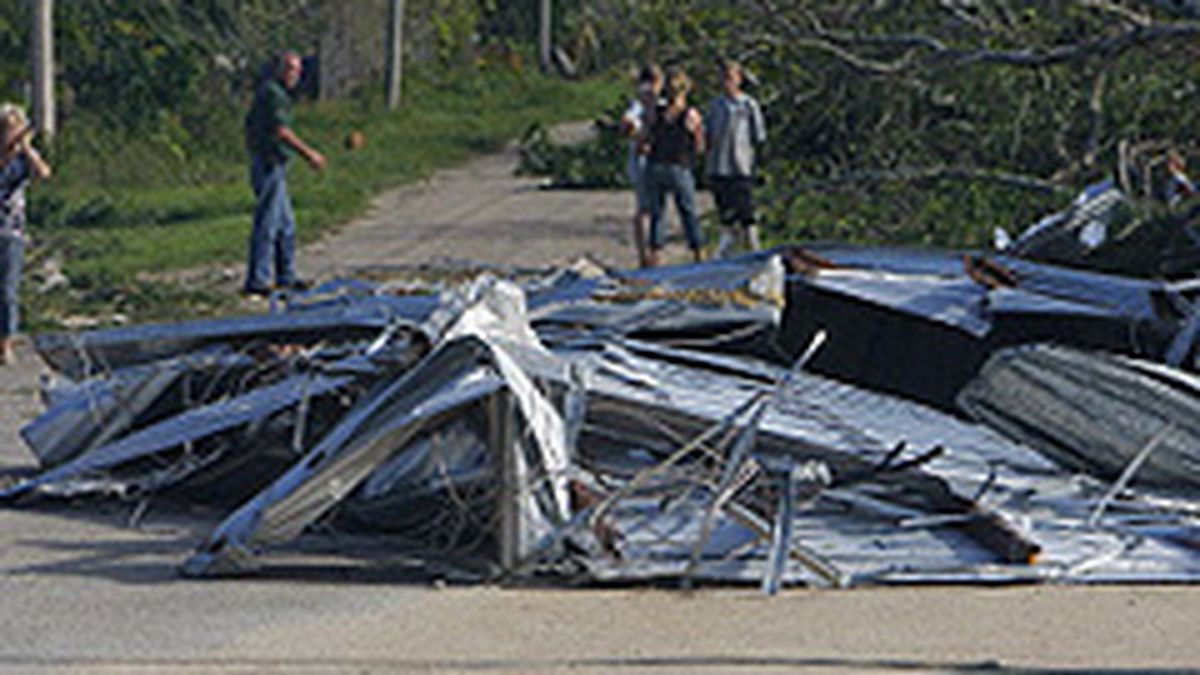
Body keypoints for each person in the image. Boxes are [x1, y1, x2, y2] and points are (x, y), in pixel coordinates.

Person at [243, 51, 326, 297]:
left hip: (277, 163)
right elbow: (281, 131)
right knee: (268, 222)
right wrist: (309, 154)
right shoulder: (273, 93)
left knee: (286, 223)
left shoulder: (280, 94)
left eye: (298, 70)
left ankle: (286, 275)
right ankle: (258, 279)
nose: (295, 75)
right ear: (279, 69)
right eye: (290, 69)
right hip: (268, 163)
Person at [0, 104, 50, 365]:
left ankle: (5, 341)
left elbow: (43, 173)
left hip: (11, 231)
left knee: (8, 290)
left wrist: (27, 148)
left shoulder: (23, 159)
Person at [641, 68, 705, 267]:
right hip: (679, 164)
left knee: (657, 213)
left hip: (656, 163)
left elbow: (646, 137)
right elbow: (699, 144)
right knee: (688, 211)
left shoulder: (656, 112)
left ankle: (655, 255)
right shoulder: (690, 114)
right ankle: (698, 252)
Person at [705, 59, 767, 258]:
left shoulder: (748, 105)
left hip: (742, 166)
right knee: (726, 215)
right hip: (719, 166)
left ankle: (754, 251)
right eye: (724, 78)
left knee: (746, 213)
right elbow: (708, 134)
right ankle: (726, 254)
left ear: (739, 79)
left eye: (730, 78)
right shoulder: (715, 105)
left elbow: (758, 136)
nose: (727, 83)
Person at [619, 64, 663, 268]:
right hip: (644, 161)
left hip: (652, 160)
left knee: (649, 208)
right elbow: (626, 124)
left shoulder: (648, 100)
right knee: (647, 209)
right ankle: (646, 255)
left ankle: (649, 253)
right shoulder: (645, 100)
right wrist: (641, 139)